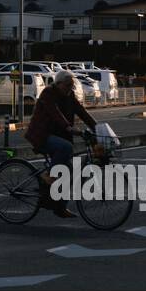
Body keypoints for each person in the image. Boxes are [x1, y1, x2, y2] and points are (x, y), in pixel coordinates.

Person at [24, 70, 97, 218]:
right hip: (41, 135)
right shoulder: (48, 93)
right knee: (66, 147)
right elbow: (54, 113)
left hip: (58, 135)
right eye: (67, 85)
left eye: (72, 85)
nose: (70, 88)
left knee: (69, 172)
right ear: (58, 84)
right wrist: (68, 127)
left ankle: (60, 207)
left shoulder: (70, 96)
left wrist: (98, 128)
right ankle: (49, 175)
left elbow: (82, 112)